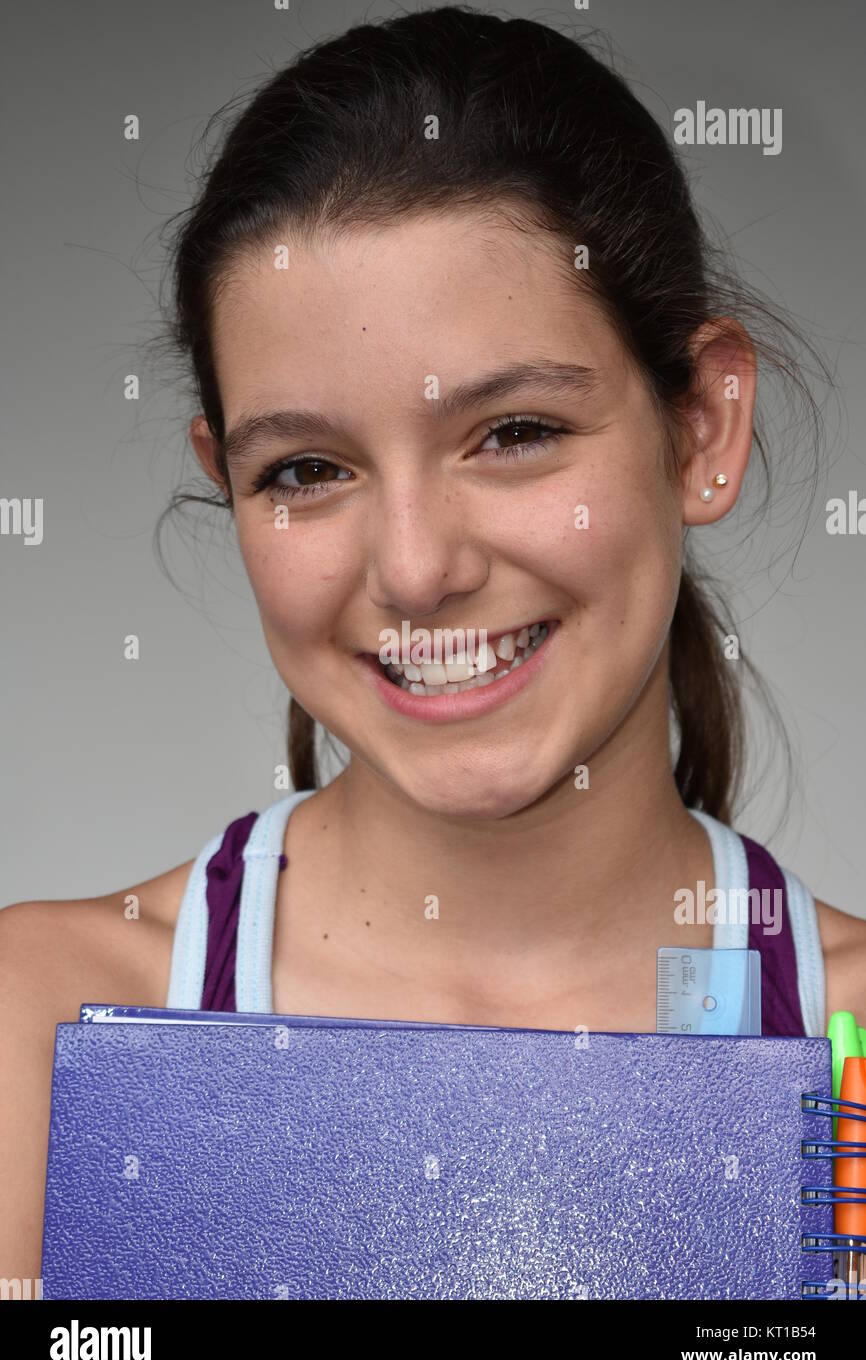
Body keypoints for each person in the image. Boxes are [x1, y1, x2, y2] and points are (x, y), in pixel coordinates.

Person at [2, 4, 864, 1286]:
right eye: (306, 467)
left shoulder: (851, 1053)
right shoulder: (35, 1027)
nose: (413, 568)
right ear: (225, 483)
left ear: (700, 428)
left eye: (511, 431)